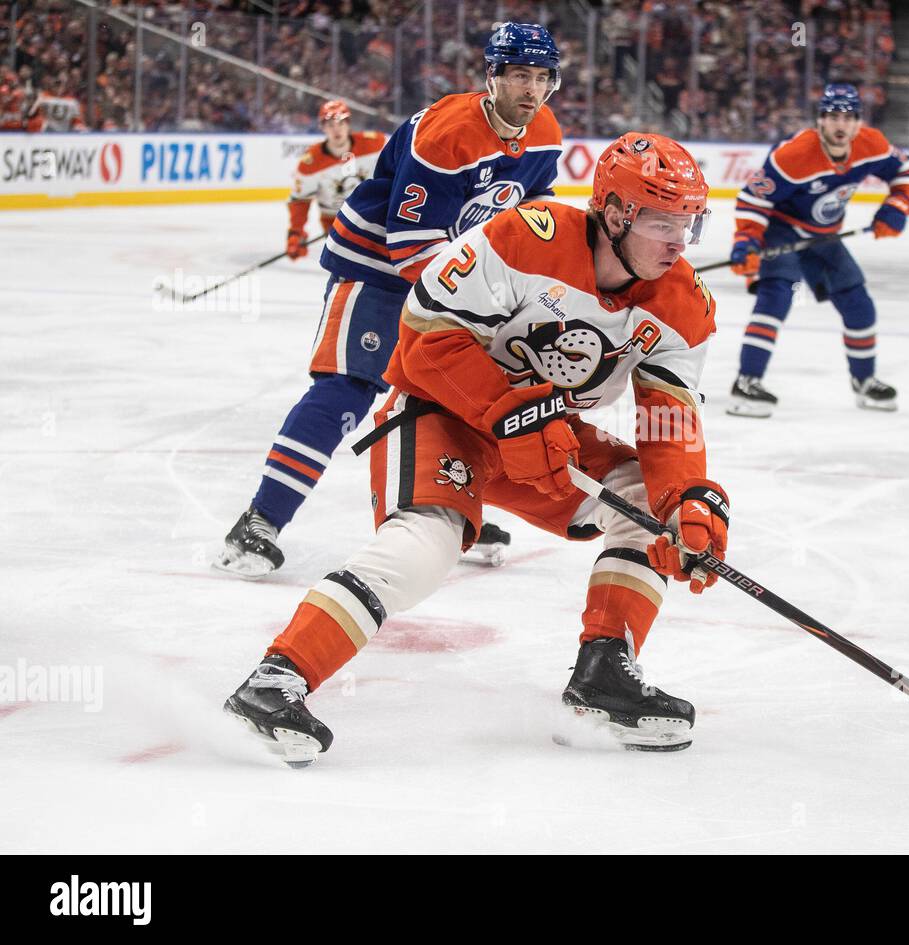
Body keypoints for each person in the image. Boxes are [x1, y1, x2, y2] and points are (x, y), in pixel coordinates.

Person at [223, 133, 727, 763]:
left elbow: (667, 420)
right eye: (663, 222)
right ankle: (277, 678)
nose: (681, 242)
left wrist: (691, 500)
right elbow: (425, 341)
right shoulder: (526, 237)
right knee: (427, 543)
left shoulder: (684, 302)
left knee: (647, 503)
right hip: (442, 414)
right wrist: (515, 413)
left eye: (691, 222)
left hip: (539, 441)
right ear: (617, 211)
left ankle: (604, 676)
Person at [214, 23, 565, 577]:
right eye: (520, 75)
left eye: (543, 77)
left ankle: (449, 510)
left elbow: (533, 208)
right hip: (377, 268)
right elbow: (409, 247)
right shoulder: (448, 134)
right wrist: (480, 303)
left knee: (458, 402)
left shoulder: (544, 129)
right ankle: (260, 519)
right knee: (346, 391)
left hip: (453, 274)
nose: (532, 89)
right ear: (492, 76)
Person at [727, 83, 909, 418]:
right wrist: (747, 242)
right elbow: (754, 199)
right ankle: (746, 383)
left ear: (858, 122)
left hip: (824, 235)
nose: (840, 125)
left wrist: (896, 208)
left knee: (858, 303)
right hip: (781, 229)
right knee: (777, 296)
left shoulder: (872, 144)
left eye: (848, 117)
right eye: (832, 116)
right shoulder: (793, 156)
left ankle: (864, 382)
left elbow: (905, 170)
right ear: (820, 121)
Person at [284, 100, 386, 262]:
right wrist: (296, 233)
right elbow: (300, 201)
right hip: (336, 222)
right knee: (350, 269)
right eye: (330, 125)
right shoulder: (310, 163)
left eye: (340, 123)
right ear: (323, 128)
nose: (336, 129)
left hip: (375, 215)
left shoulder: (375, 144)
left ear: (348, 124)